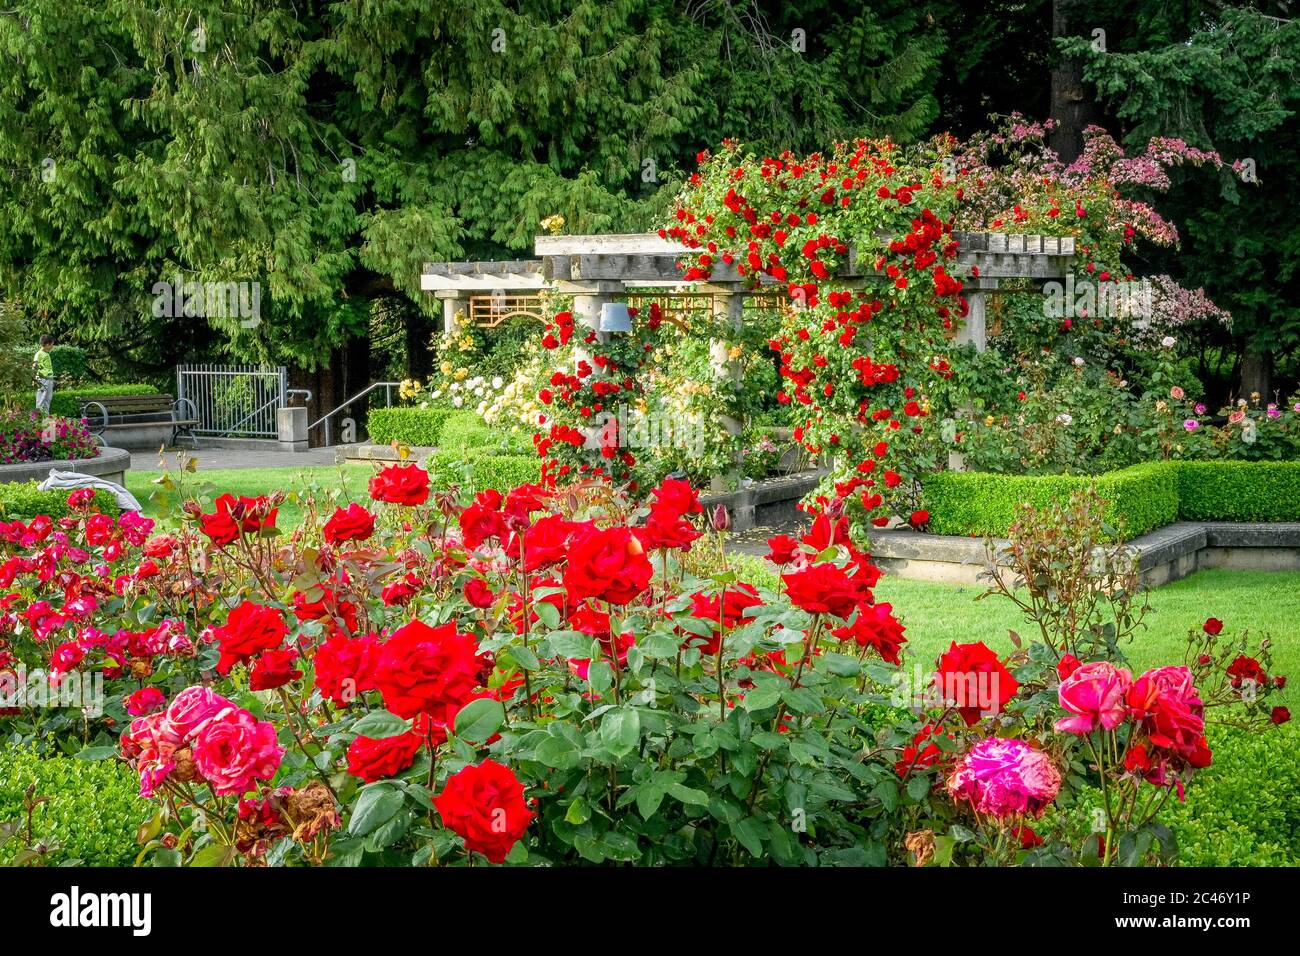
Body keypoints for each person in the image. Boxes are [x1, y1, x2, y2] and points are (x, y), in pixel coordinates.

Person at [33, 334, 55, 414]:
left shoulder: (46, 354)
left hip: (49, 379)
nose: (52, 346)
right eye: (52, 344)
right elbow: (34, 366)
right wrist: (35, 379)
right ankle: (39, 416)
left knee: (48, 398)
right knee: (41, 398)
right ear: (47, 344)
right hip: (42, 379)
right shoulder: (38, 354)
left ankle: (45, 416)